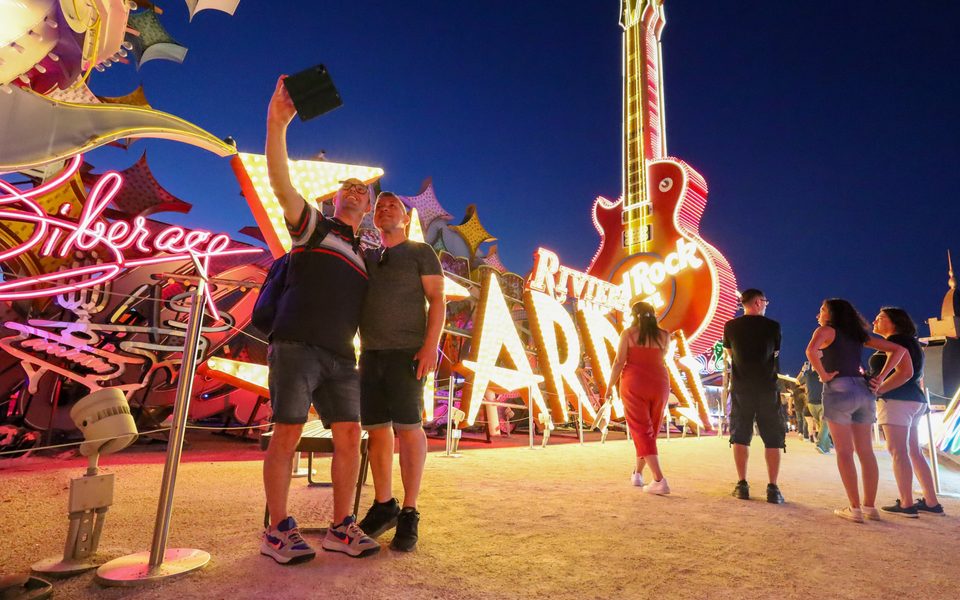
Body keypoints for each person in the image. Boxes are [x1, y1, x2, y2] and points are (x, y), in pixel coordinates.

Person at [260, 76, 380, 563]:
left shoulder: (367, 254)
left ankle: (339, 526)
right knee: (287, 432)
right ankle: (277, 529)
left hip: (340, 356)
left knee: (350, 434)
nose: (354, 193)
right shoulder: (313, 227)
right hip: (295, 346)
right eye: (347, 189)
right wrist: (277, 125)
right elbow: (280, 181)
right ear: (335, 200)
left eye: (362, 191)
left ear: (369, 208)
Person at [357, 192, 446, 551]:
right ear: (373, 218)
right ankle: (384, 505)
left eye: (392, 205)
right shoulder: (367, 257)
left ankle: (409, 511)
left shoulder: (421, 252)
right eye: (379, 207)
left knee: (408, 429)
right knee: (377, 432)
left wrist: (429, 345)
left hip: (407, 353)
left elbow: (437, 299)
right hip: (371, 354)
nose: (385, 209)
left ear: (406, 218)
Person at [805, 299, 906, 523]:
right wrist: (880, 378)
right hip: (863, 390)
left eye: (822, 309)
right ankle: (870, 506)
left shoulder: (825, 331)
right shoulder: (858, 335)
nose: (818, 314)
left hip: (838, 388)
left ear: (832, 313)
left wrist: (822, 375)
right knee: (865, 451)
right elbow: (898, 350)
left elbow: (811, 351)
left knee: (843, 451)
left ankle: (855, 508)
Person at [870, 307, 945, 517]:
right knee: (913, 451)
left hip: (897, 400)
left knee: (898, 451)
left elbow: (905, 374)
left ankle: (906, 503)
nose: (875, 320)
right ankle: (931, 502)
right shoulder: (912, 342)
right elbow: (915, 376)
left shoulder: (896, 342)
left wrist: (880, 389)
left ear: (895, 322)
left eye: (881, 318)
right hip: (915, 400)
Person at [723, 289, 785, 504]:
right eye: (765, 301)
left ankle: (742, 484)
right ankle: (773, 488)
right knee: (773, 437)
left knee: (740, 434)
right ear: (758, 303)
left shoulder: (730, 326)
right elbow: (775, 352)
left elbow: (730, 354)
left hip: (741, 387)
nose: (766, 304)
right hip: (768, 387)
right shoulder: (773, 327)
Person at [606, 300, 672, 495]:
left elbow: (619, 361)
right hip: (660, 383)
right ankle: (637, 474)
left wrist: (610, 386)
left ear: (633, 315)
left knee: (641, 430)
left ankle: (659, 480)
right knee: (650, 429)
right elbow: (662, 357)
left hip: (634, 383)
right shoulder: (665, 335)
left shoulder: (628, 334)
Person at [800, 361, 832, 453]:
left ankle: (826, 448)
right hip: (822, 403)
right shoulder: (824, 375)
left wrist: (803, 370)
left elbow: (798, 381)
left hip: (811, 404)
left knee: (821, 425)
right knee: (825, 424)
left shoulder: (808, 375)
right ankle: (820, 443)